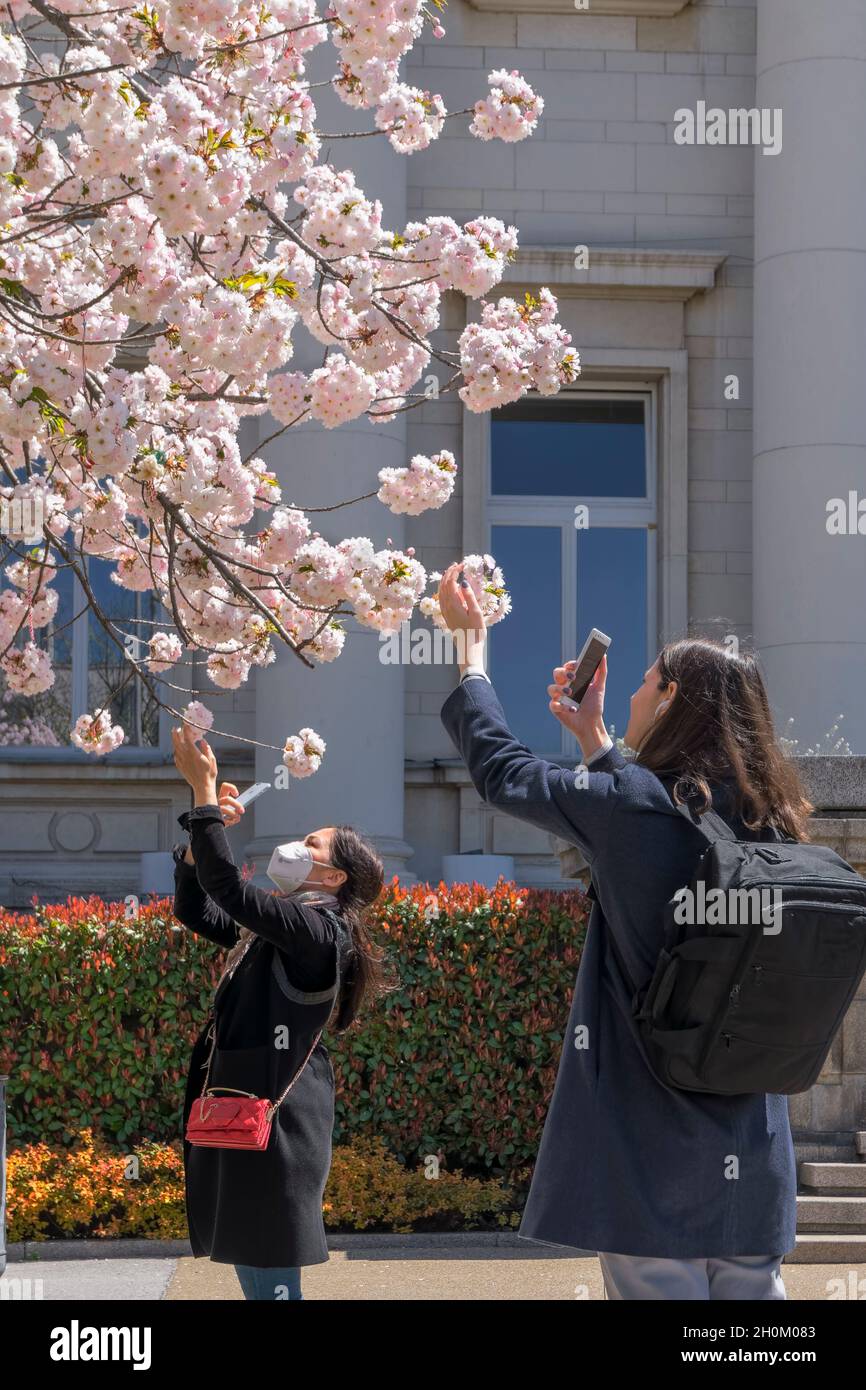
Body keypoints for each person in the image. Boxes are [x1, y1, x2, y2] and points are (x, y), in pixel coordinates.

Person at [436, 562, 811, 1301]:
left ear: (671, 699)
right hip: (754, 1148)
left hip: (651, 1150)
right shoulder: (777, 824)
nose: (634, 689)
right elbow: (665, 824)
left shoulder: (629, 806)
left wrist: (472, 651)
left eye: (645, 681)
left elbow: (502, 771)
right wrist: (599, 742)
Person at [170, 726, 385, 1301]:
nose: (296, 846)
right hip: (251, 1114)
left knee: (267, 1267)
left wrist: (206, 797)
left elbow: (229, 890)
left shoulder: (318, 930)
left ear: (335, 877)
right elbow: (197, 906)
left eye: (312, 844)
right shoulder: (290, 928)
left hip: (276, 1125)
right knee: (250, 1252)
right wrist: (200, 835)